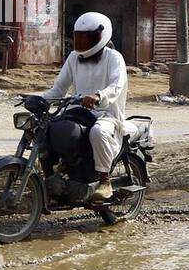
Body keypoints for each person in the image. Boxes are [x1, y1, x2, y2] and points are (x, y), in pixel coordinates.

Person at [44, 12, 128, 203]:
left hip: (107, 114)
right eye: (79, 38)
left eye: (88, 38)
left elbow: (116, 85)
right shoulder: (74, 57)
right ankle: (56, 172)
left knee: (98, 132)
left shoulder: (114, 58)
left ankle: (105, 181)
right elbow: (59, 89)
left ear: (102, 35)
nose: (83, 43)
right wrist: (37, 98)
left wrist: (98, 96)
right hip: (79, 112)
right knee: (49, 128)